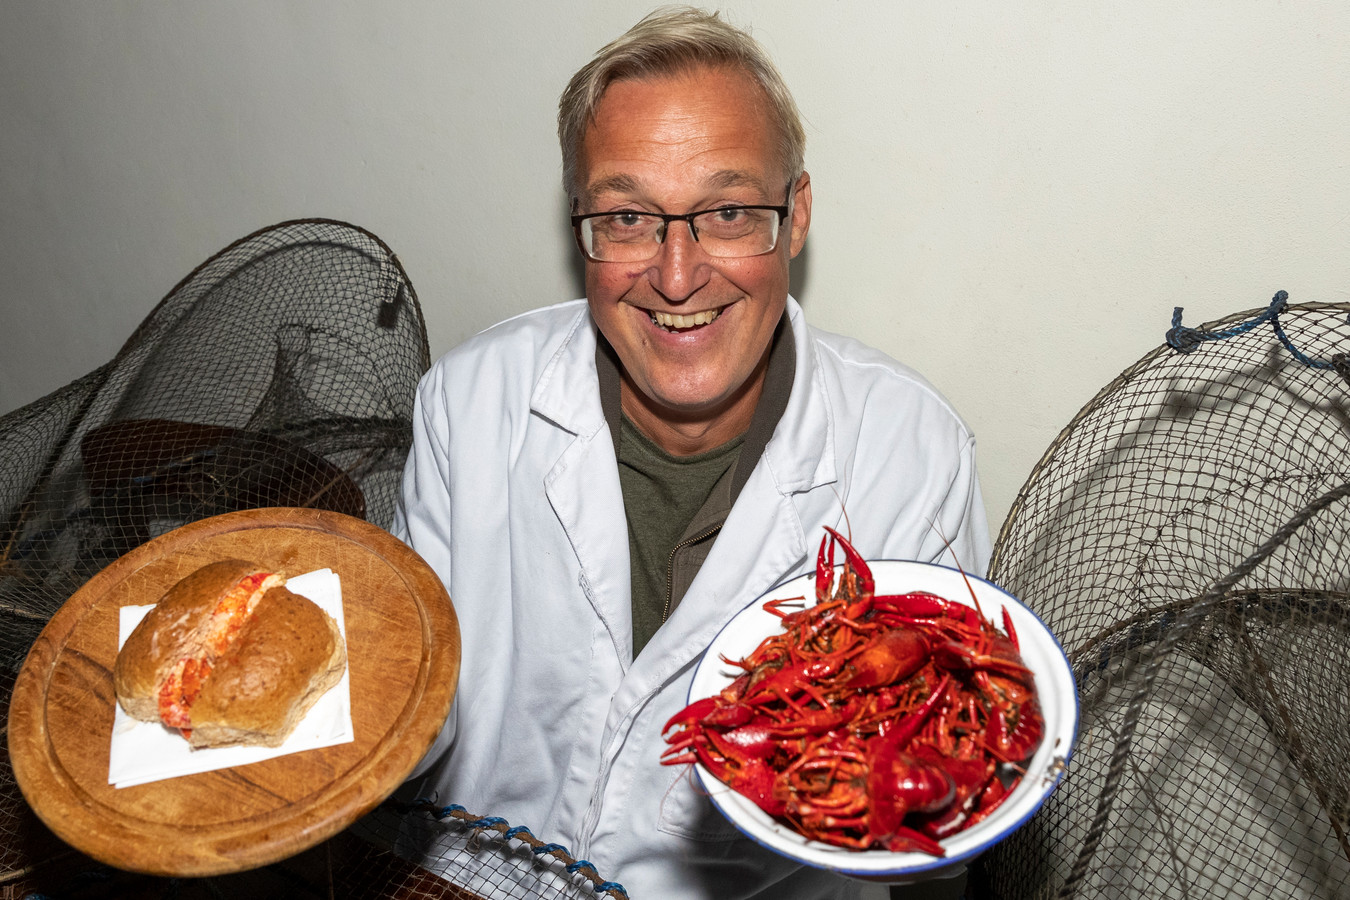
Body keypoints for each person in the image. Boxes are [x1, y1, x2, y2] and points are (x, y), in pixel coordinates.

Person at [392, 7, 990, 899]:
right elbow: (404, 712)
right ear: (581, 227)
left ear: (796, 219)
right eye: (629, 216)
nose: (676, 276)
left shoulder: (912, 451)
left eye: (728, 212)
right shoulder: (468, 402)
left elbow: (933, 814)